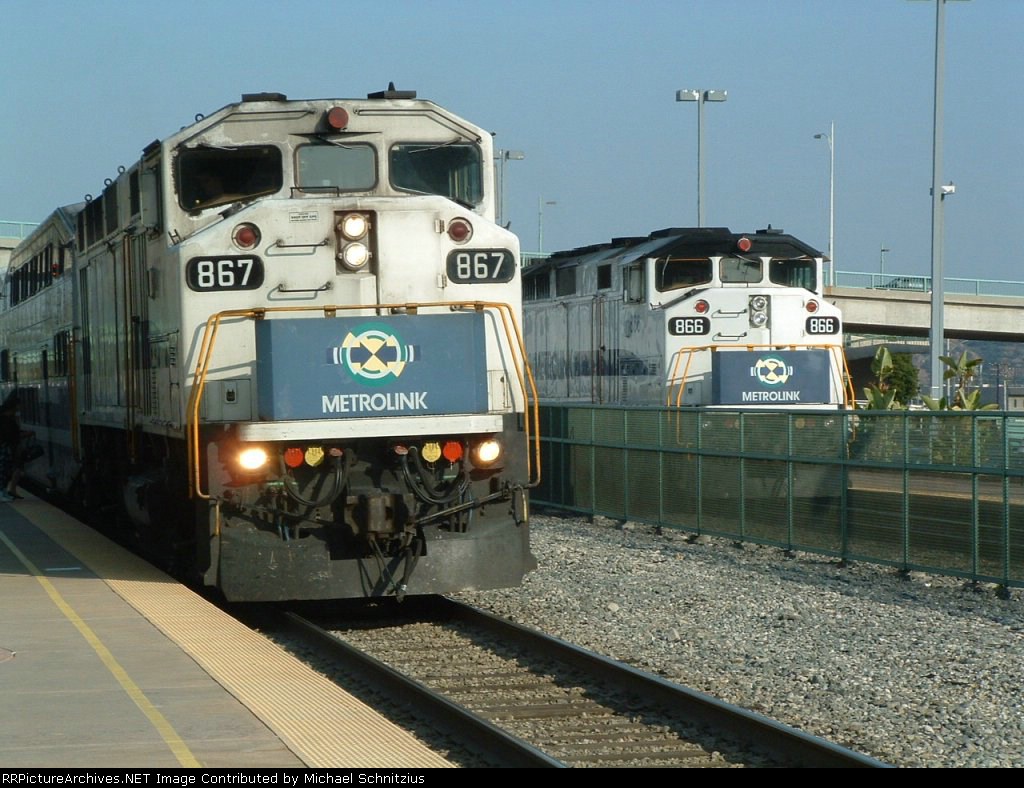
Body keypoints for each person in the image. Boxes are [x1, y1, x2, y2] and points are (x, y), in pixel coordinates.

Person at [0, 393, 32, 502]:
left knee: (6, 470)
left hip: (7, 447)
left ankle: (4, 491)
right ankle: (2, 492)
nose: (19, 408)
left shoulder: (6, 418)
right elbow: (11, 434)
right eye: (18, 405)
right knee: (4, 470)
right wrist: (24, 434)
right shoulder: (6, 420)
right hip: (5, 447)